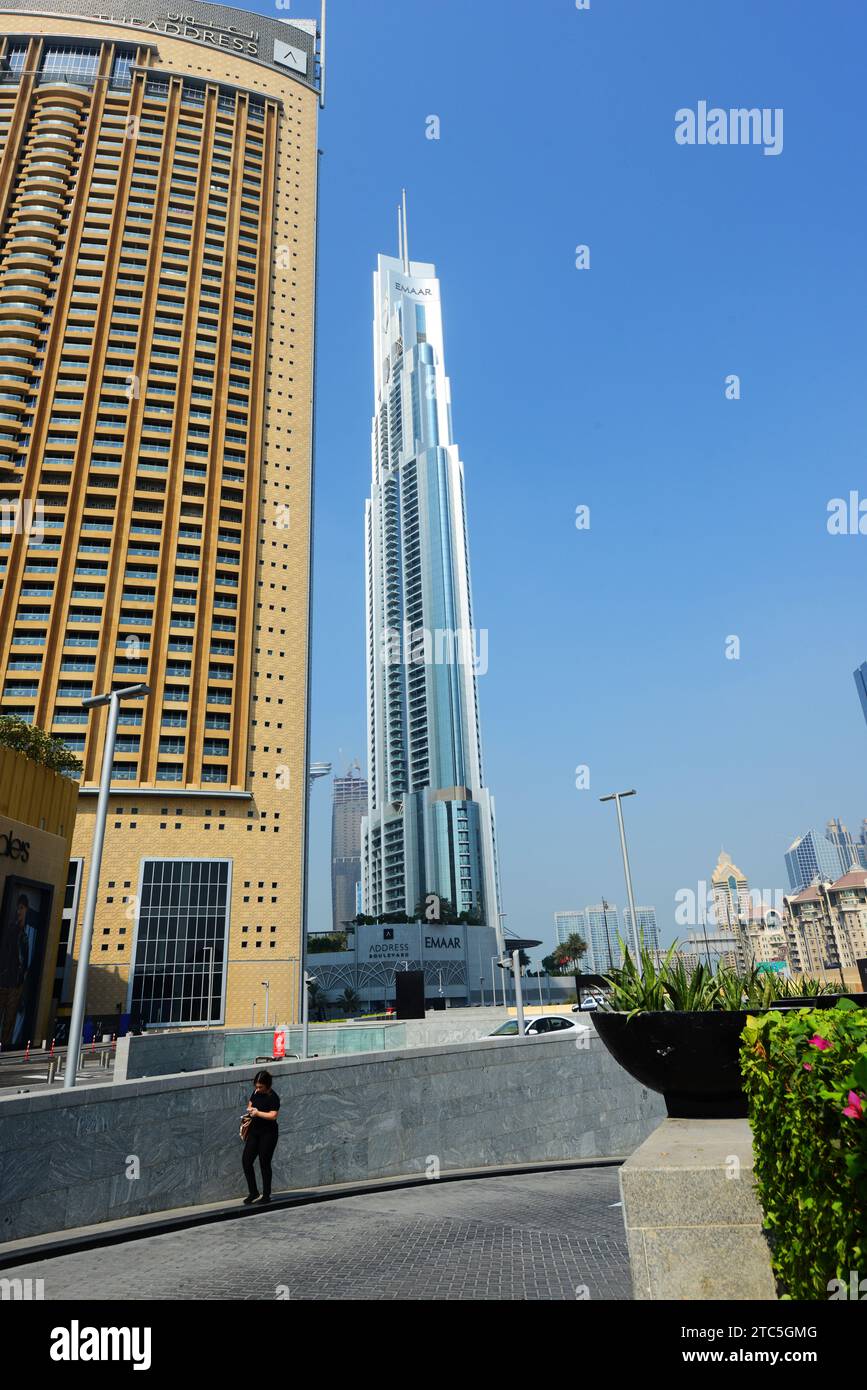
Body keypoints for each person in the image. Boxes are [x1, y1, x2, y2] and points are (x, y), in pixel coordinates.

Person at [241, 1068, 280, 1205]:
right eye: (256, 1086)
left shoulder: (273, 1097)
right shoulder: (255, 1092)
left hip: (268, 1134)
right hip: (254, 1132)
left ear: (267, 1086)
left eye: (260, 1086)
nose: (258, 1089)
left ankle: (266, 1195)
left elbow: (273, 1115)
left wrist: (258, 1113)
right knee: (246, 1161)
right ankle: (253, 1192)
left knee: (264, 1163)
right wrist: (250, 1111)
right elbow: (250, 1104)